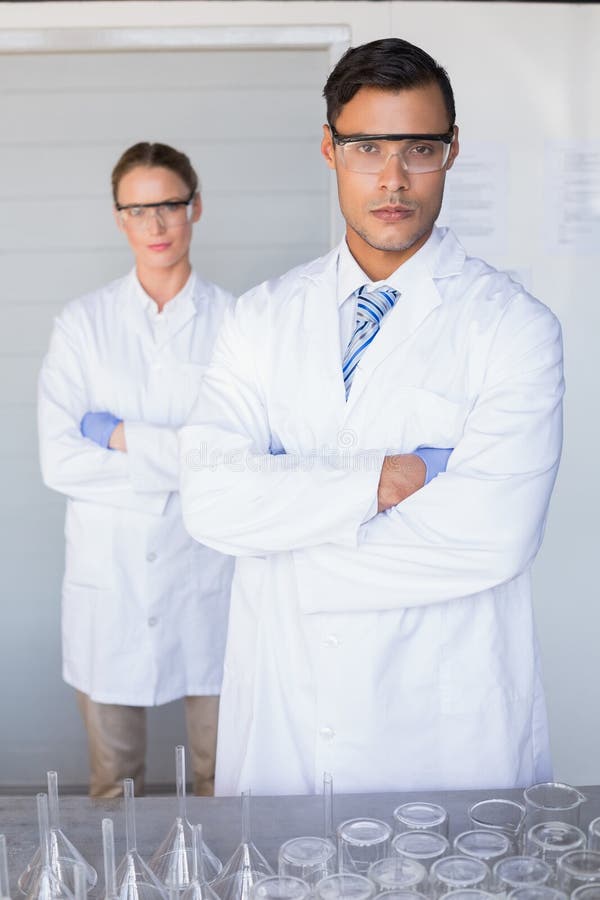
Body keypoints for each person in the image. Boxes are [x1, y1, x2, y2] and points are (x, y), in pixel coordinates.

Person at [179, 39, 564, 796]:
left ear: (452, 151)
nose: (393, 179)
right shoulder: (260, 319)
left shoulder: (514, 328)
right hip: (286, 720)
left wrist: (282, 531)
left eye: (420, 147)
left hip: (444, 725)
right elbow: (209, 500)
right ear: (330, 149)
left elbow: (492, 536)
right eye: (367, 147)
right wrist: (387, 477)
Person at [38, 142, 234, 798]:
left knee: (222, 775)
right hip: (109, 583)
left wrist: (119, 436)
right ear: (119, 218)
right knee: (112, 783)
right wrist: (185, 458)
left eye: (169, 206)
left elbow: (245, 460)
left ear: (196, 208)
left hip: (209, 576)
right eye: (138, 209)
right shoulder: (82, 324)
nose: (155, 225)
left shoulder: (237, 323)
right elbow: (61, 460)